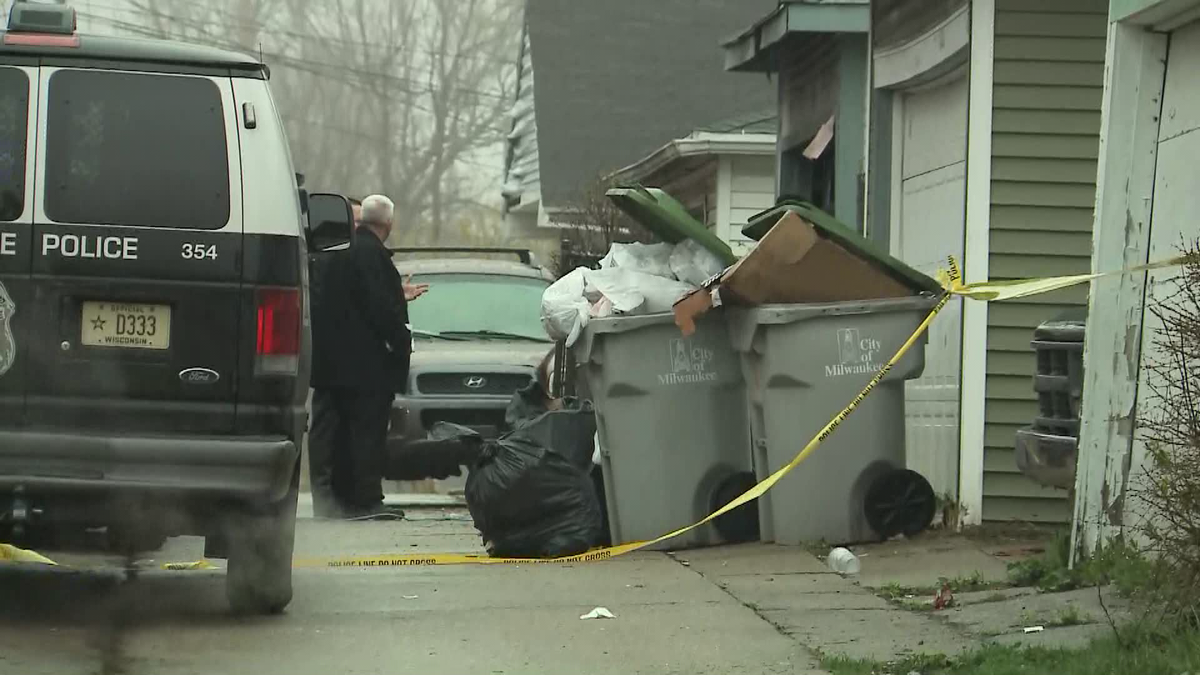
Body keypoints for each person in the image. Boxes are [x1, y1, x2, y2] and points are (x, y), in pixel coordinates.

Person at [310, 194, 412, 520]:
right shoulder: (372, 255)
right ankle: (366, 499)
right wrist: (400, 339)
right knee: (367, 432)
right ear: (388, 223)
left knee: (340, 434)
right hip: (366, 365)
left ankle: (340, 500)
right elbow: (380, 307)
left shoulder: (337, 252)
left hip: (333, 363)